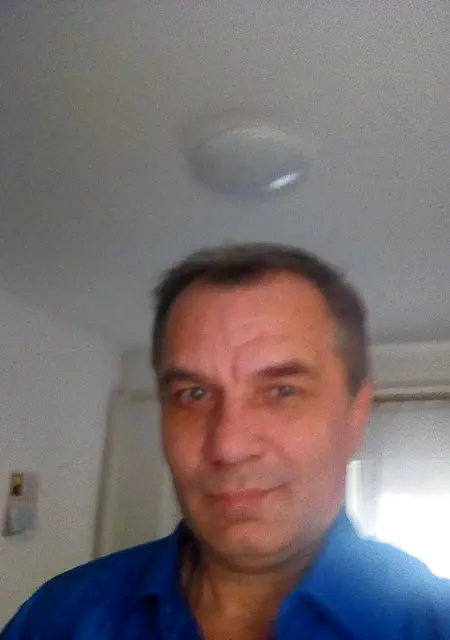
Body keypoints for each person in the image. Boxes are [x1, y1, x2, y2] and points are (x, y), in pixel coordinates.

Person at [2, 243, 449, 639]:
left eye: (282, 391)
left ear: (356, 415)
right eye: (193, 395)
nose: (228, 446)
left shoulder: (429, 623)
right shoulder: (59, 618)